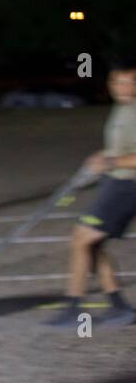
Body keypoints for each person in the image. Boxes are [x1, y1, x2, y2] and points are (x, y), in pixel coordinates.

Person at [46, 60, 136, 328]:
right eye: (119, 81)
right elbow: (123, 149)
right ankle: (119, 306)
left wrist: (112, 163)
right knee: (92, 243)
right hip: (116, 182)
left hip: (128, 187)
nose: (125, 87)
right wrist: (105, 157)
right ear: (110, 84)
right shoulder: (123, 109)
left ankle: (74, 305)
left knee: (82, 237)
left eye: (131, 81)